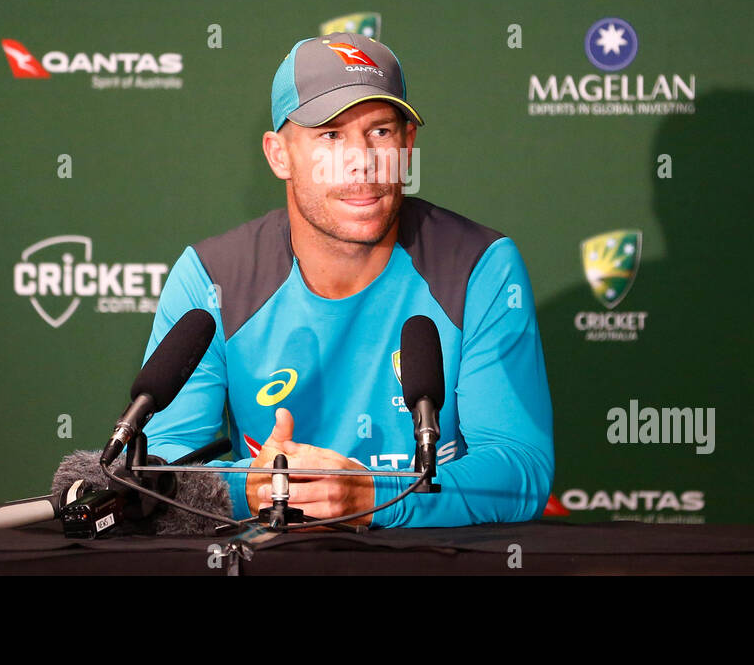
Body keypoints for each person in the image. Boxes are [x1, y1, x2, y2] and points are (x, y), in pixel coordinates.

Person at [139, 32, 554, 528]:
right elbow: (157, 469)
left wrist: (371, 497)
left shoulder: (480, 266)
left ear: (408, 145)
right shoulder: (211, 277)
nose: (362, 160)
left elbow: (518, 471)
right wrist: (254, 486)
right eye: (330, 135)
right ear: (279, 155)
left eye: (380, 132)